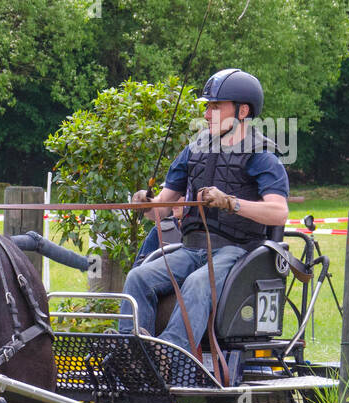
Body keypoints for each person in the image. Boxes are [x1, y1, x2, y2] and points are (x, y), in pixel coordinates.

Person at [123, 68, 289, 353]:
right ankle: (132, 353)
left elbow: (278, 212)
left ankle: (171, 357)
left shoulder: (262, 156)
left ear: (242, 110)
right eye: (207, 107)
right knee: (138, 277)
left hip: (236, 252)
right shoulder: (193, 150)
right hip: (190, 249)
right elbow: (161, 211)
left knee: (199, 283)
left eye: (216, 106)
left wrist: (231, 203)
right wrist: (145, 204)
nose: (208, 113)